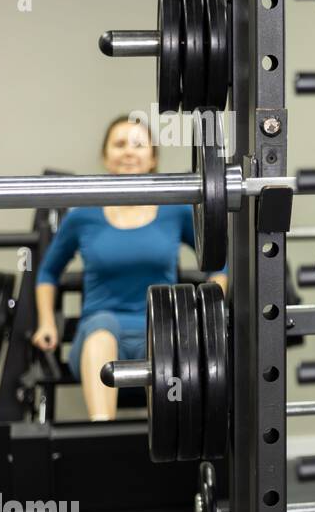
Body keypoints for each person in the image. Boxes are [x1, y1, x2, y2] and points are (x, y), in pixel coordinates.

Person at [32, 116, 228, 421]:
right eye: (119, 144)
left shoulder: (175, 209)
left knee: (164, 335)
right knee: (102, 330)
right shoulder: (83, 215)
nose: (128, 152)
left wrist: (207, 317)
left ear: (153, 157)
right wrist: (46, 323)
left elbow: (221, 263)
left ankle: (168, 447)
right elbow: (47, 273)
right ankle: (102, 440)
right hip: (99, 333)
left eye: (138, 144)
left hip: (160, 333)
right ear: (105, 156)